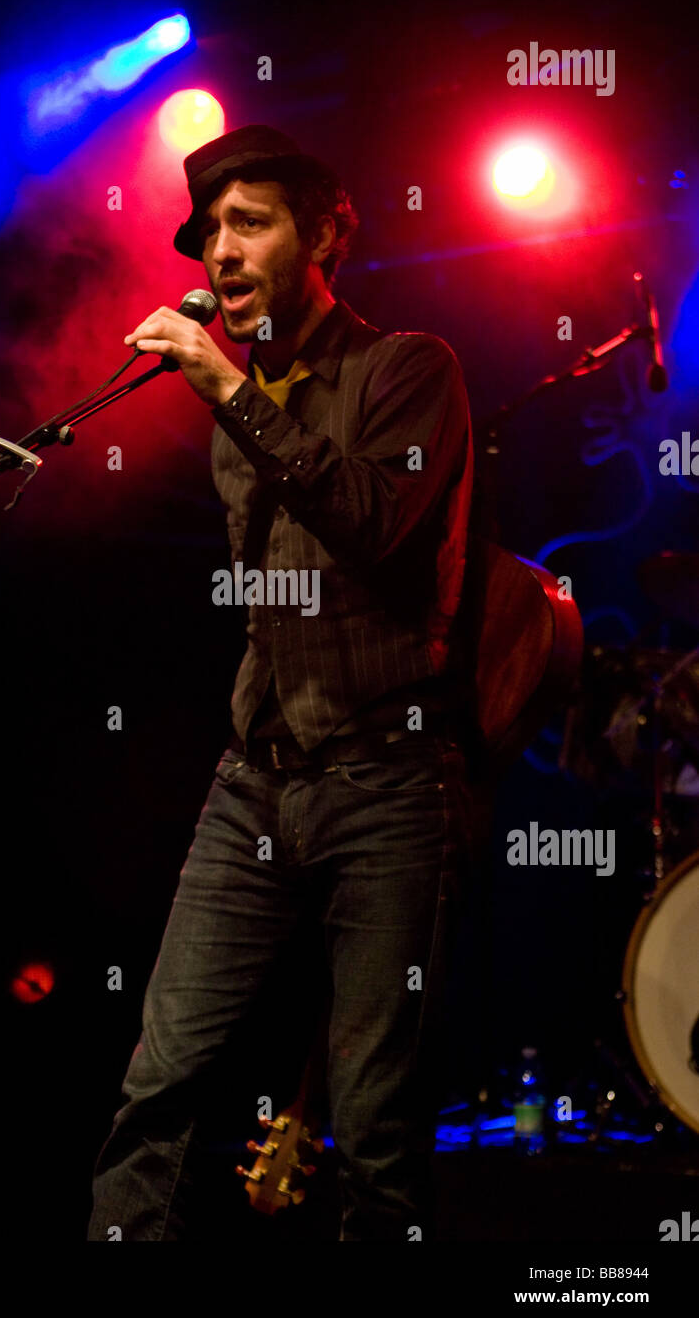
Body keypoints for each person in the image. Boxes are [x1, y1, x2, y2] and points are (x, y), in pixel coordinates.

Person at [87, 123, 478, 1241]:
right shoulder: (236, 415)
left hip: (388, 782)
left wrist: (223, 386)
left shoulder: (409, 369)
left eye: (247, 222)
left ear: (325, 234)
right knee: (156, 1081)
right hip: (253, 780)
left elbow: (376, 531)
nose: (217, 250)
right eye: (208, 231)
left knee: (374, 1127)